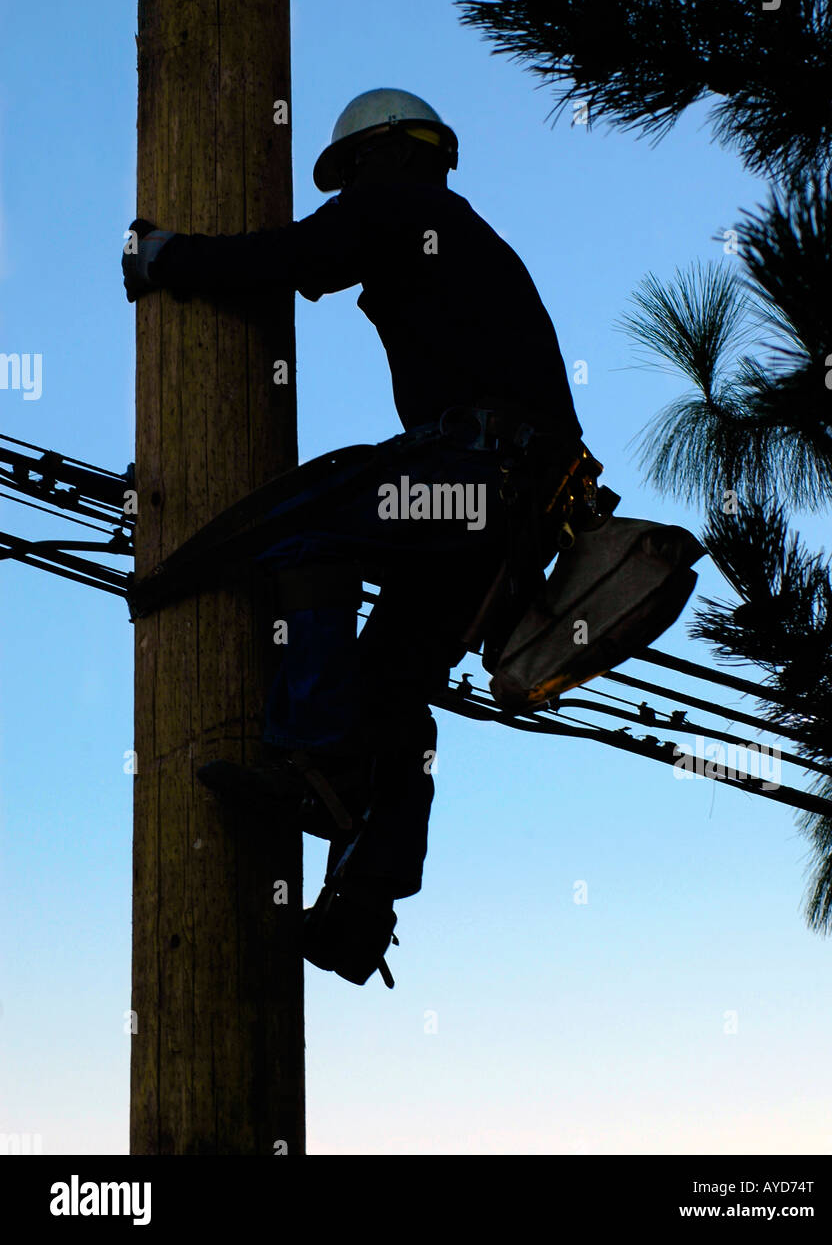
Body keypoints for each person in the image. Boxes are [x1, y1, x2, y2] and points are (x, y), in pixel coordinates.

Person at [123, 88, 584, 987]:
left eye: (354, 173)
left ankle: (313, 756)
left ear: (392, 156)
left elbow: (295, 256)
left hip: (476, 481)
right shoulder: (462, 237)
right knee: (393, 687)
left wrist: (168, 255)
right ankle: (361, 909)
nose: (348, 192)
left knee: (306, 532)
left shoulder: (401, 205)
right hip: (509, 517)